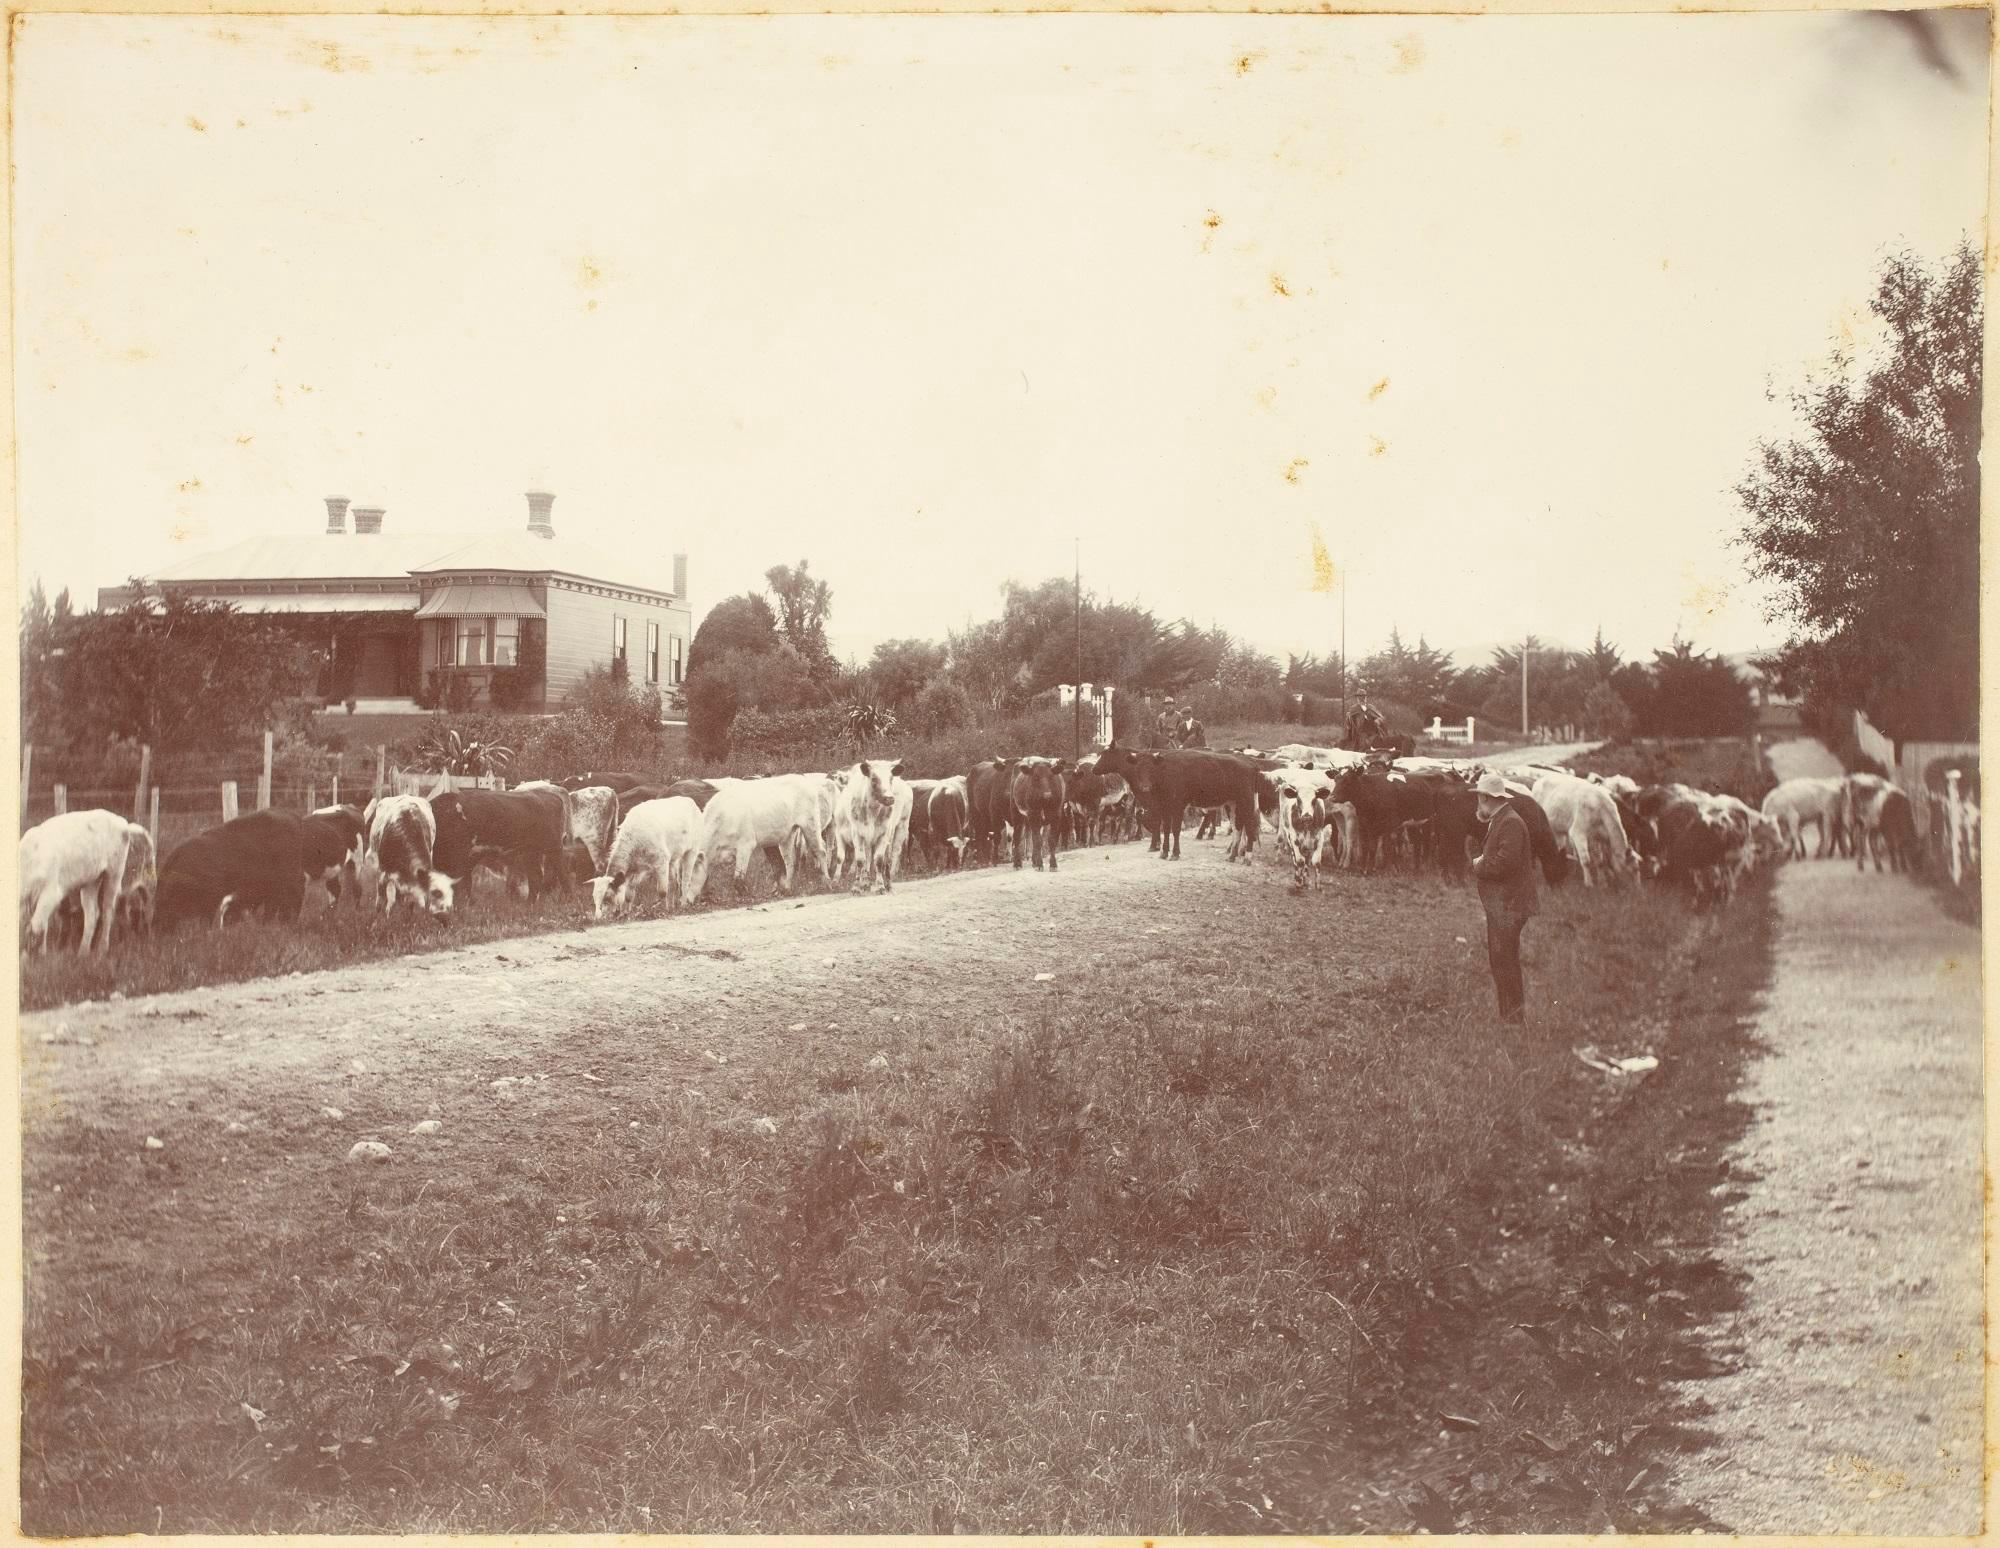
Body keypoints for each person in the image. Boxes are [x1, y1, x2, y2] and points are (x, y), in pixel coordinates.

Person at [1471, 770, 1539, 1023]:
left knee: (1504, 961)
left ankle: (1513, 1019)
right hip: (1504, 904)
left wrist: (1478, 864)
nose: (1478, 804)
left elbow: (1503, 864)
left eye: (1479, 798)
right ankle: (1510, 1016)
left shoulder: (1509, 822)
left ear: (1487, 798)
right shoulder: (1505, 819)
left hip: (1509, 905)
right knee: (1501, 960)